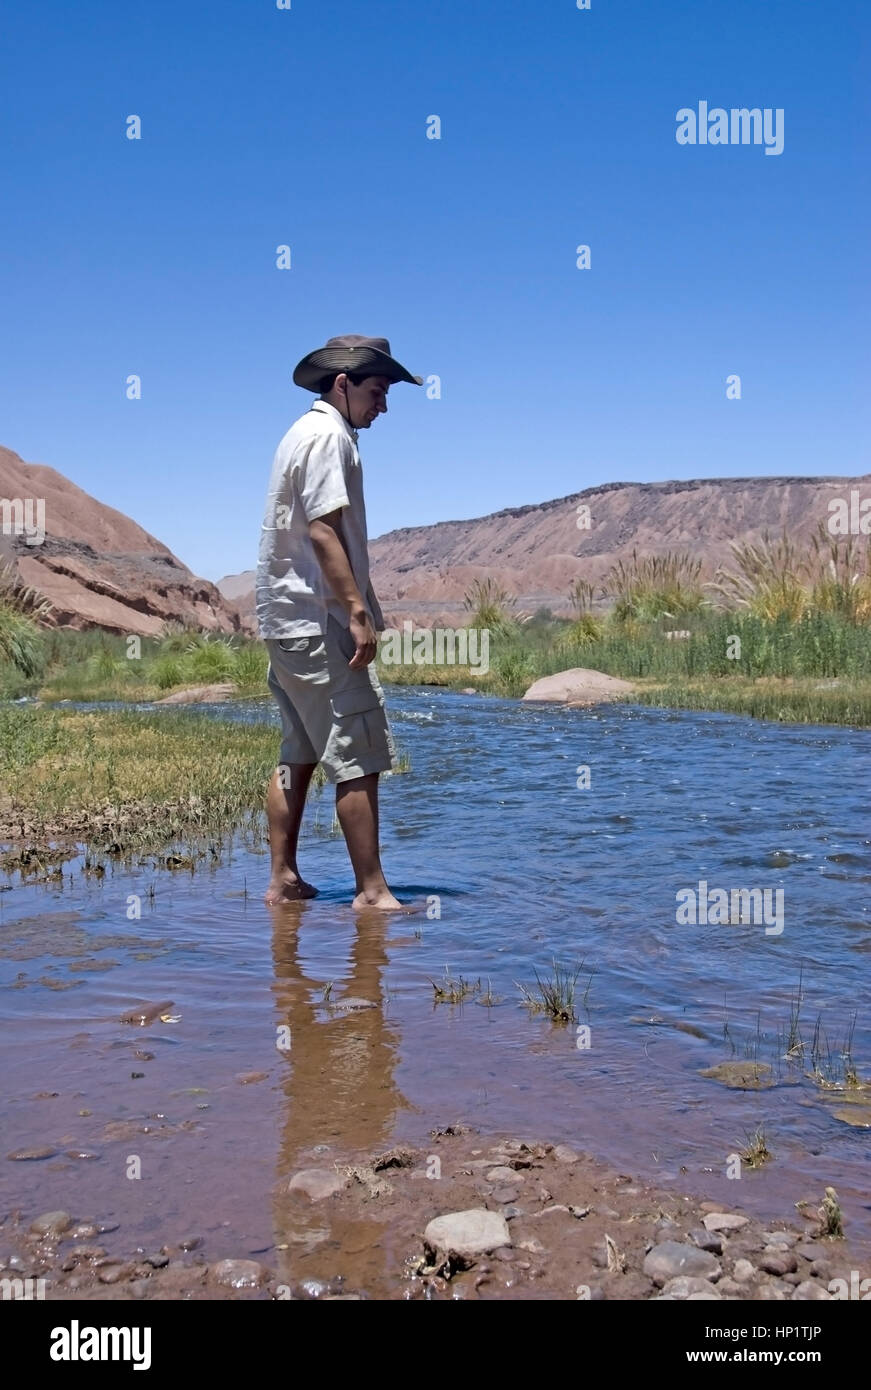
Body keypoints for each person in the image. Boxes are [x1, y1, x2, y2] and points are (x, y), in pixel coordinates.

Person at [256, 334, 422, 908]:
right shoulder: (329, 436)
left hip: (286, 620)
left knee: (297, 755)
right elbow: (324, 530)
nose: (384, 406)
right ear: (344, 384)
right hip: (317, 617)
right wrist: (356, 612)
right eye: (377, 391)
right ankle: (372, 893)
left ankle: (282, 878)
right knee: (359, 756)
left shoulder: (301, 433)